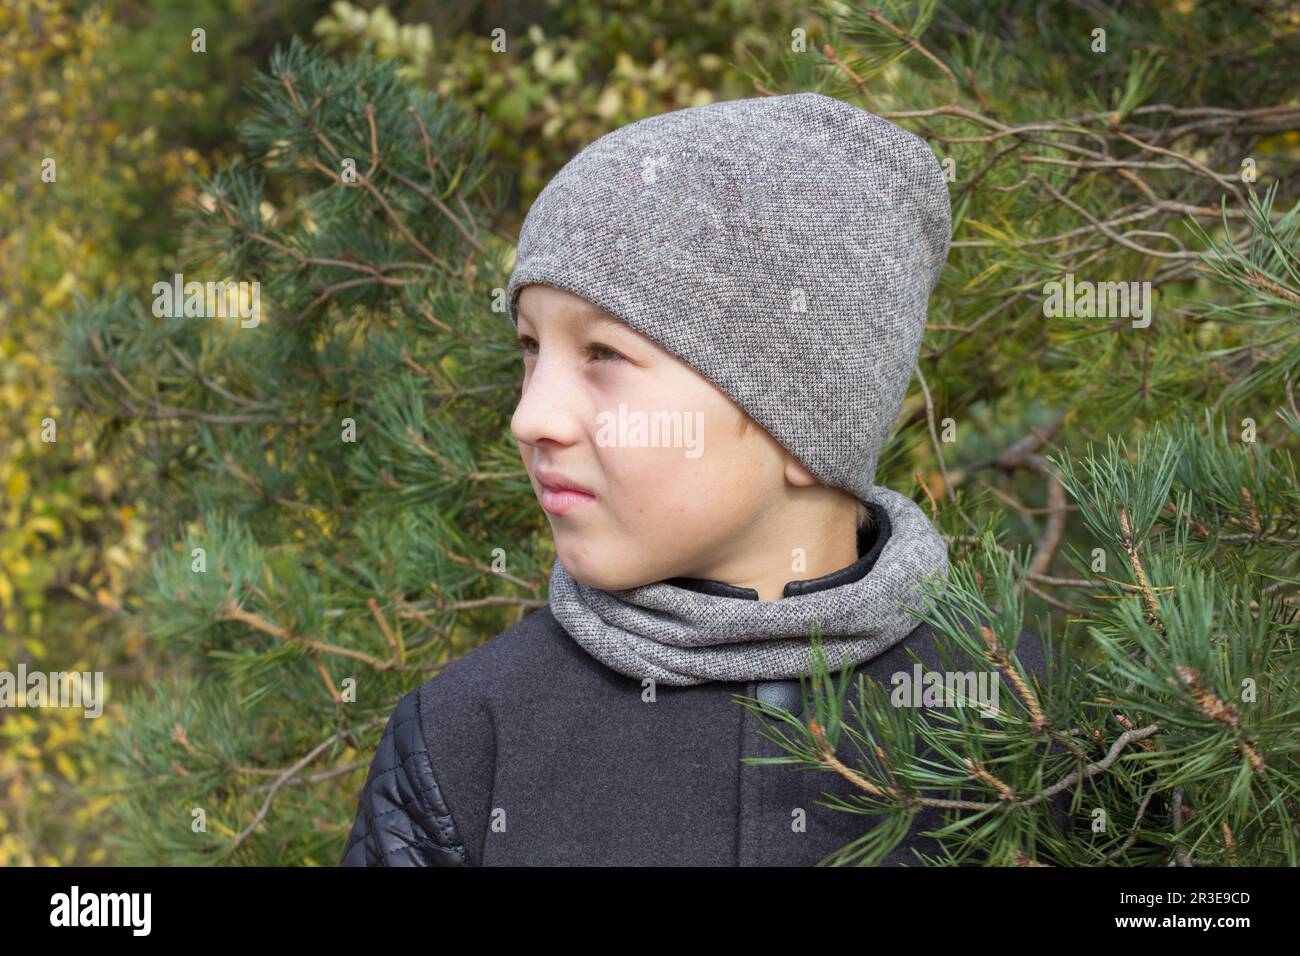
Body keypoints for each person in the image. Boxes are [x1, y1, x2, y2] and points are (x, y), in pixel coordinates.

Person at [340, 91, 1062, 867]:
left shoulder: (1035, 720)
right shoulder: (468, 738)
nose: (530, 416)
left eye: (603, 355)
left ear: (805, 419)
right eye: (530, 348)